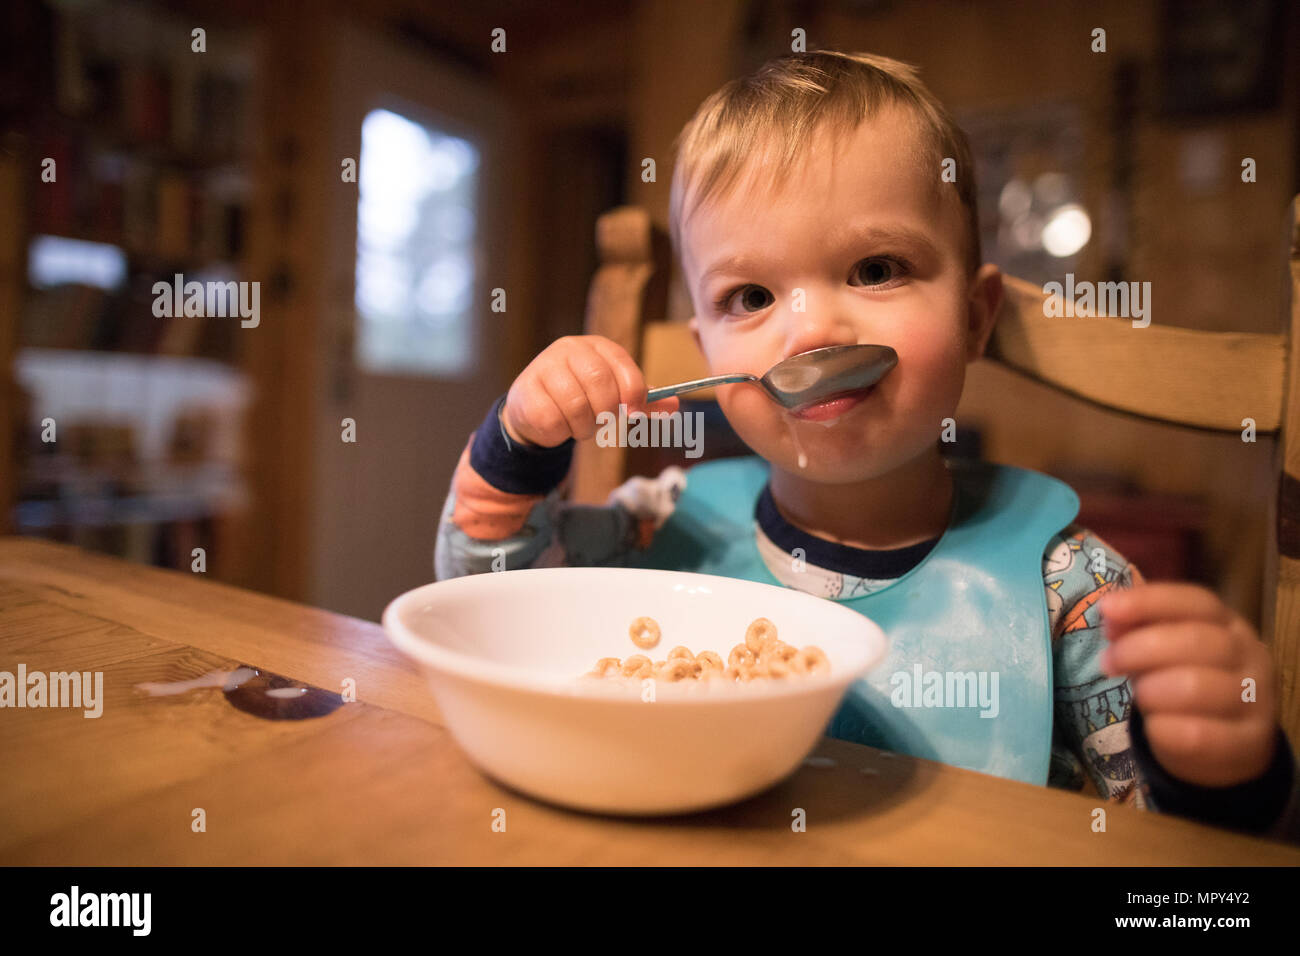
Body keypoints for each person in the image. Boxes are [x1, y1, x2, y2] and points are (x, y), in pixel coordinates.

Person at [436, 50, 1296, 840]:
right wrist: (517, 444)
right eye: (749, 296)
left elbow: (1171, 854)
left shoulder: (1069, 588)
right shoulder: (662, 529)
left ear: (973, 317)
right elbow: (487, 601)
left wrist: (1214, 770)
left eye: (876, 269)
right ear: (704, 357)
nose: (811, 330)